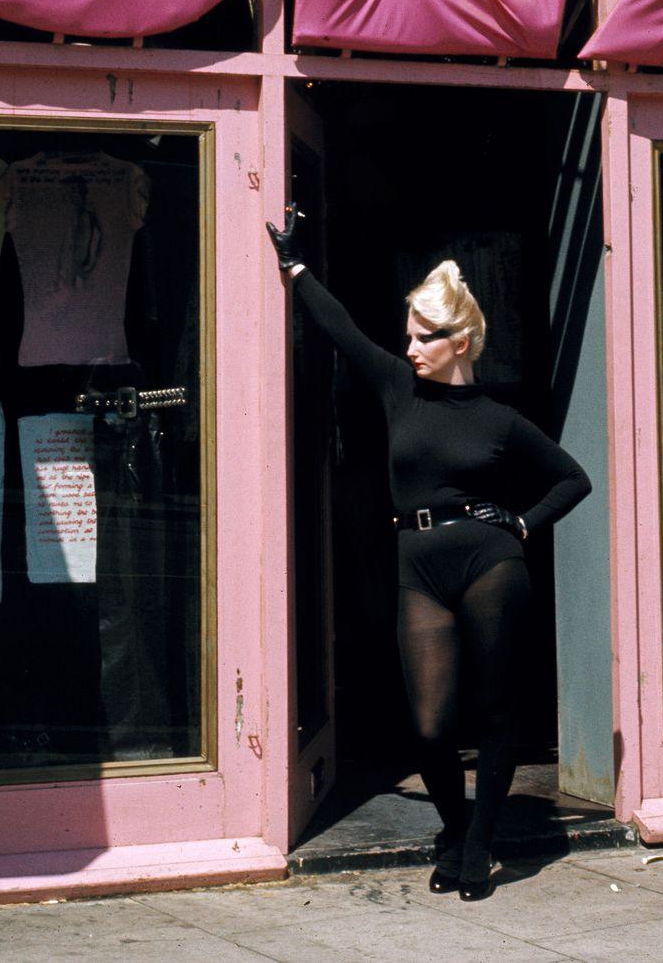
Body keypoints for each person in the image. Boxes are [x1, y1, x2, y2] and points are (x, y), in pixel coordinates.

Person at [267, 206, 591, 901]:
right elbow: (340, 328)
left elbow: (573, 479)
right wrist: (293, 265)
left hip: (491, 565)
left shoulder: (500, 420)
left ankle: (476, 846)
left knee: (496, 712)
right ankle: (455, 822)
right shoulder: (396, 386)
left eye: (424, 336)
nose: (411, 346)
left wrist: (525, 525)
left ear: (461, 339)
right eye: (409, 334)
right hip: (418, 564)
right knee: (430, 722)